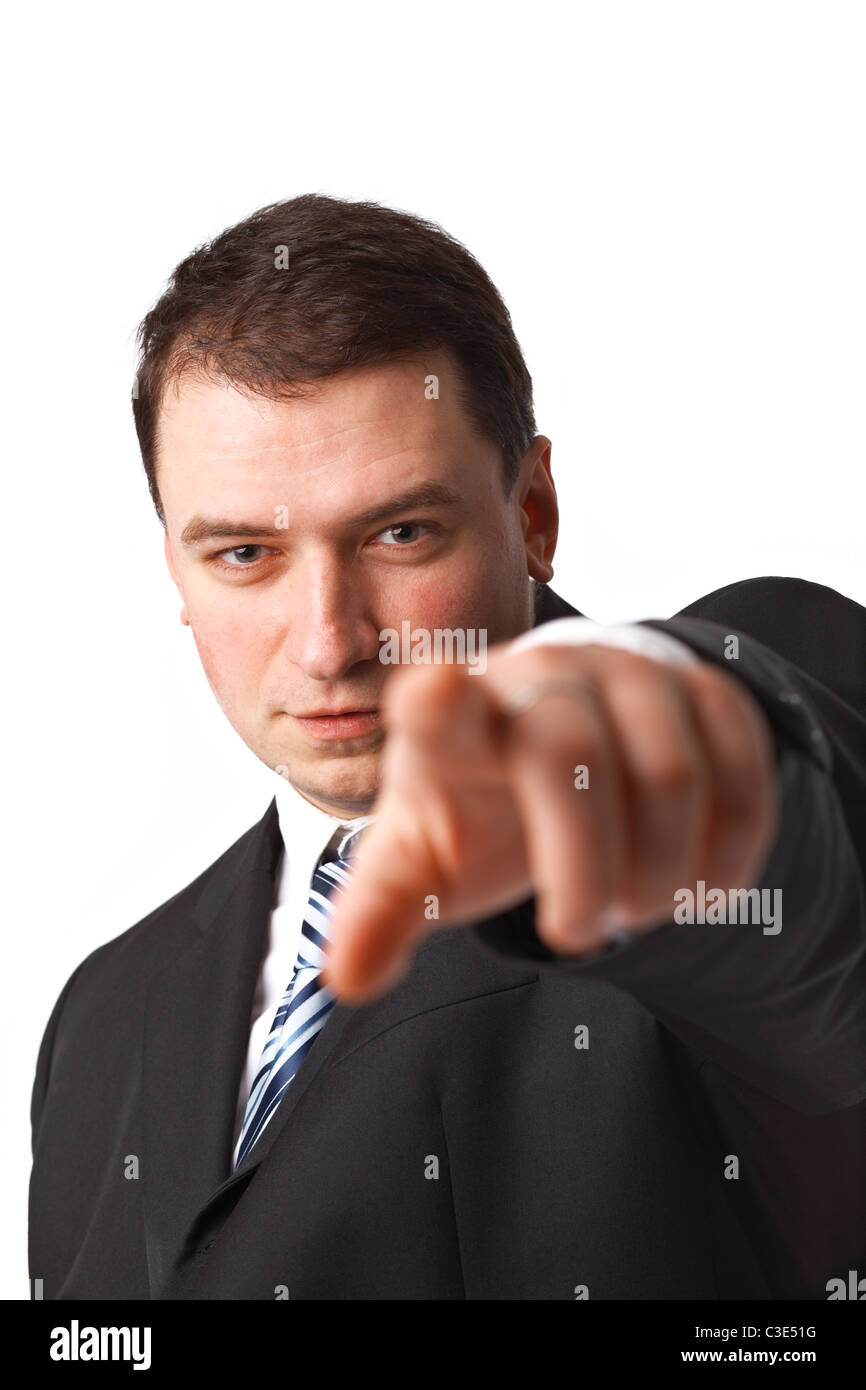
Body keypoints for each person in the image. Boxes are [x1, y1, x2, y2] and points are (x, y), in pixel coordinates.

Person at [29, 195, 866, 1300]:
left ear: (532, 511)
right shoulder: (102, 1015)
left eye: (399, 533)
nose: (330, 642)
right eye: (243, 553)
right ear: (175, 570)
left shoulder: (676, 802)